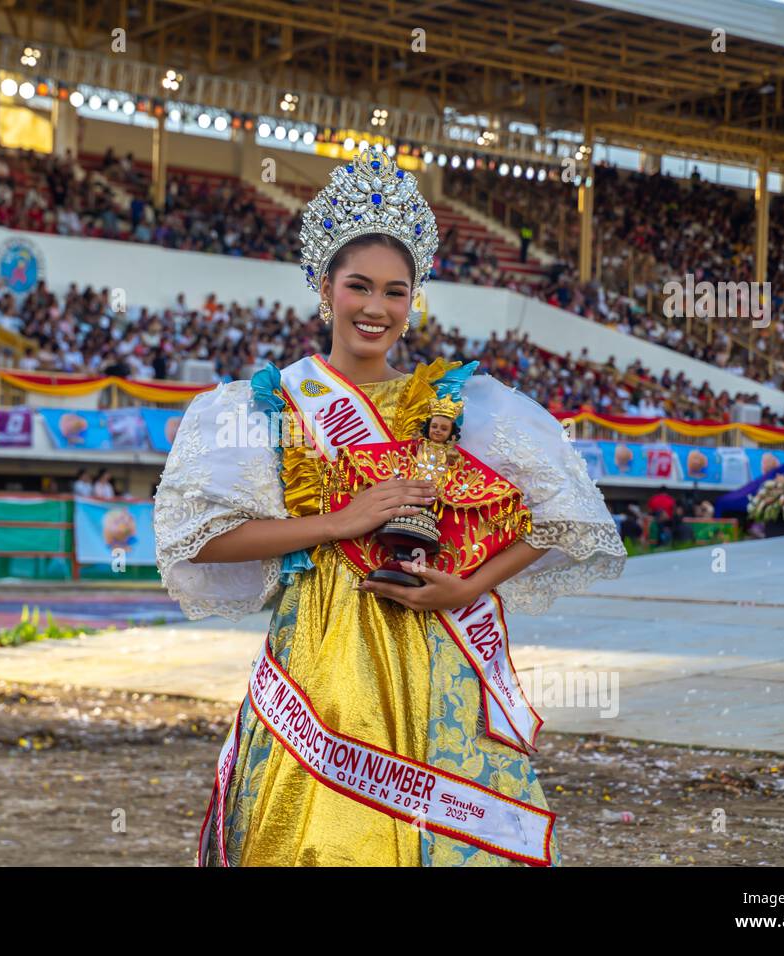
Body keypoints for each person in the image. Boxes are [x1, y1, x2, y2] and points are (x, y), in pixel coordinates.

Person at [155, 146, 627, 868]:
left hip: (436, 657)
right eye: (358, 287)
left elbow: (568, 515)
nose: (376, 308)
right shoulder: (266, 405)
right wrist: (340, 523)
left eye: (395, 292)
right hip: (317, 659)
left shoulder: (463, 406)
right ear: (324, 287)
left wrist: (469, 586)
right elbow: (199, 539)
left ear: (415, 298)